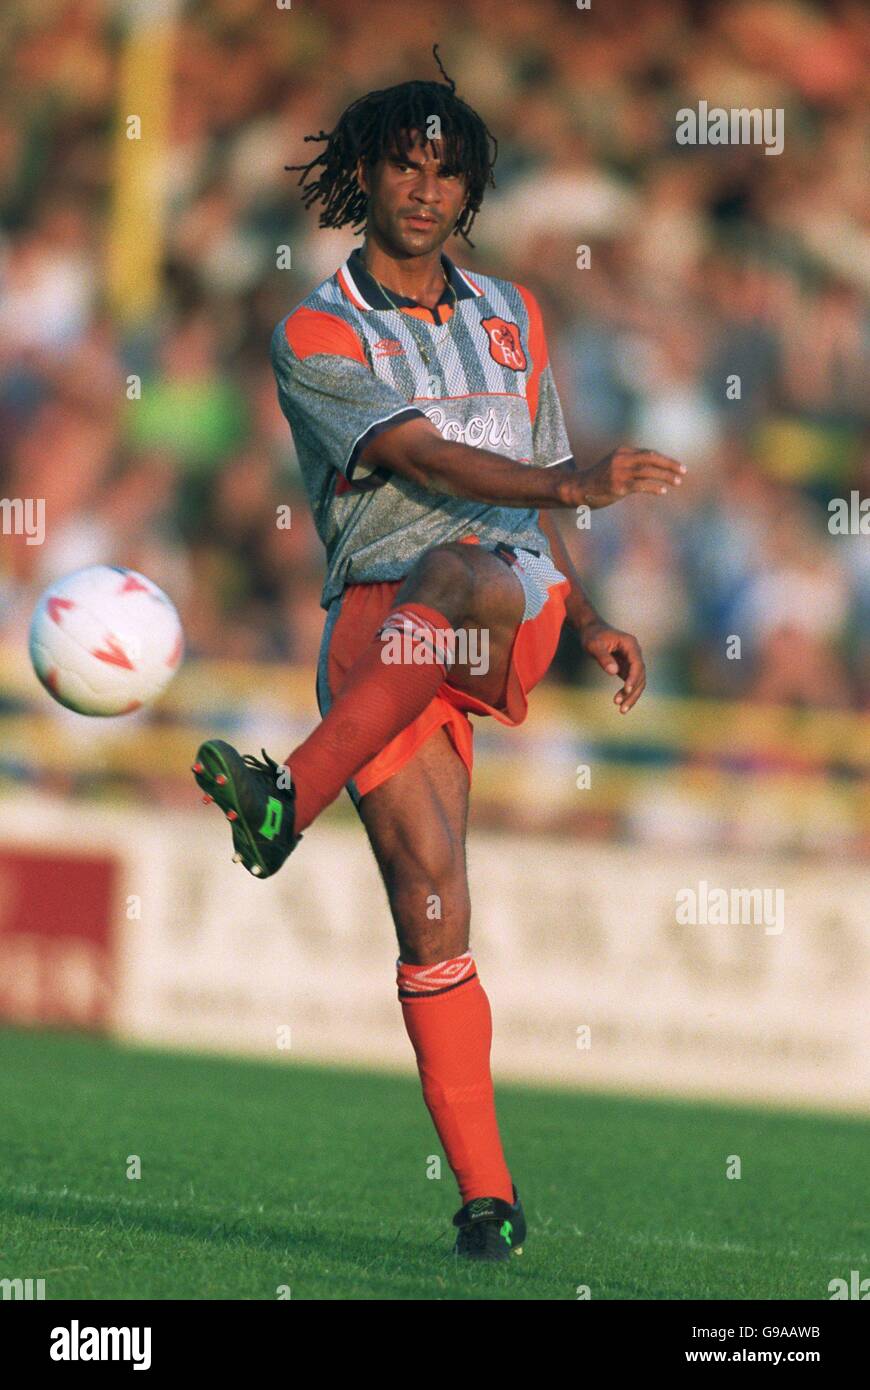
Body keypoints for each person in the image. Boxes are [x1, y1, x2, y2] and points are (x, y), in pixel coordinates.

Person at [192, 49, 684, 1262]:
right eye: (405, 164)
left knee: (463, 565)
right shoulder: (315, 328)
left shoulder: (515, 314)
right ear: (364, 174)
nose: (424, 187)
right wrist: (565, 477)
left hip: (499, 599)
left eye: (446, 171)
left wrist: (595, 608)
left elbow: (534, 479)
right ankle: (487, 1198)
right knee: (430, 911)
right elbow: (419, 458)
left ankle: (285, 797)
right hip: (378, 637)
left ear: (470, 193)